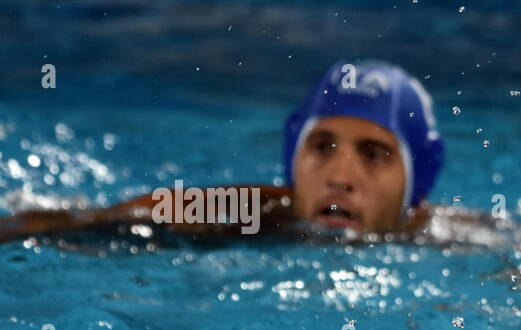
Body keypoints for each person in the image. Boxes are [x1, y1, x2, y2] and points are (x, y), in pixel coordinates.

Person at [0, 60, 460, 242]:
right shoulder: (241, 213)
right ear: (292, 158)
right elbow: (74, 223)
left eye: (374, 153)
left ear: (417, 181)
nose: (340, 174)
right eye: (322, 146)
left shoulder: (458, 241)